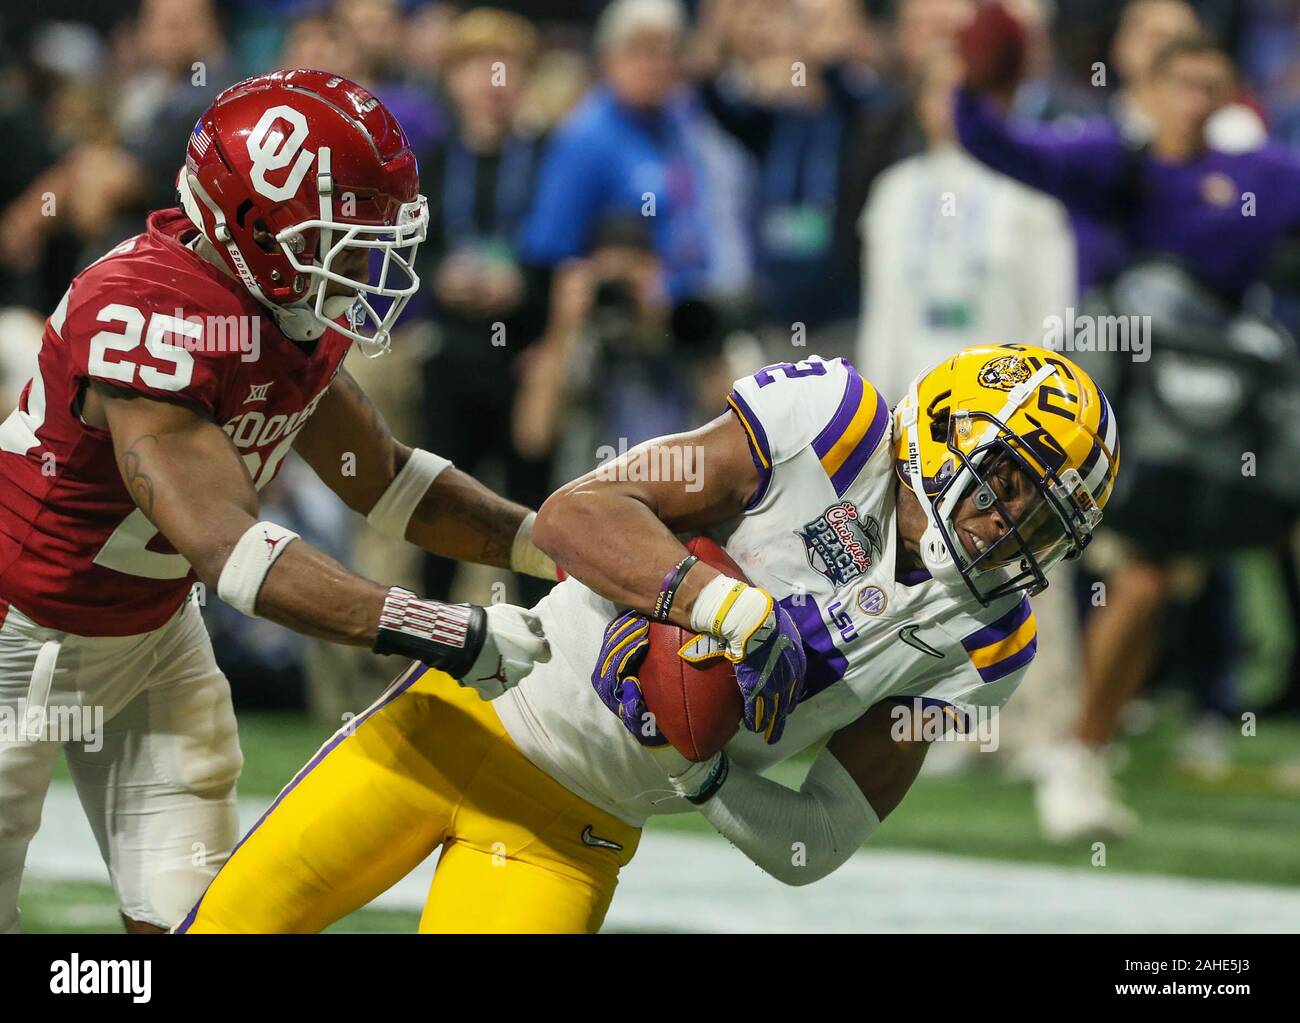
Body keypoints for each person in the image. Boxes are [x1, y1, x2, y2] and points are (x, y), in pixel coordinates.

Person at [178, 343, 1119, 933]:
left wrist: (703, 774)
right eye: (1013, 484)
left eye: (1050, 515)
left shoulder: (992, 643)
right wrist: (720, 609)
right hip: (456, 721)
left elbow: (818, 842)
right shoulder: (830, 419)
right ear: (949, 437)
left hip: (571, 831)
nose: (1022, 525)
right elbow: (573, 514)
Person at [0, 70, 556, 934]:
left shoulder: (283, 297)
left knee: (205, 920)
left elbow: (385, 478)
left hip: (147, 634)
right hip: (19, 639)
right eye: (345, 232)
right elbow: (231, 547)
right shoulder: (149, 311)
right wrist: (446, 629)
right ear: (254, 223)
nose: (367, 260)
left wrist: (546, 545)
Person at [955, 26, 1300, 839]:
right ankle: (1079, 753)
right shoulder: (1118, 165)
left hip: (1232, 405)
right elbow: (1001, 147)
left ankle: (1086, 750)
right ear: (1145, 90)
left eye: (1212, 85)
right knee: (1139, 579)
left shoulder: (1257, 175)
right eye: (1179, 84)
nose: (1195, 101)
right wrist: (981, 85)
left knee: (1212, 561)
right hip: (1139, 406)